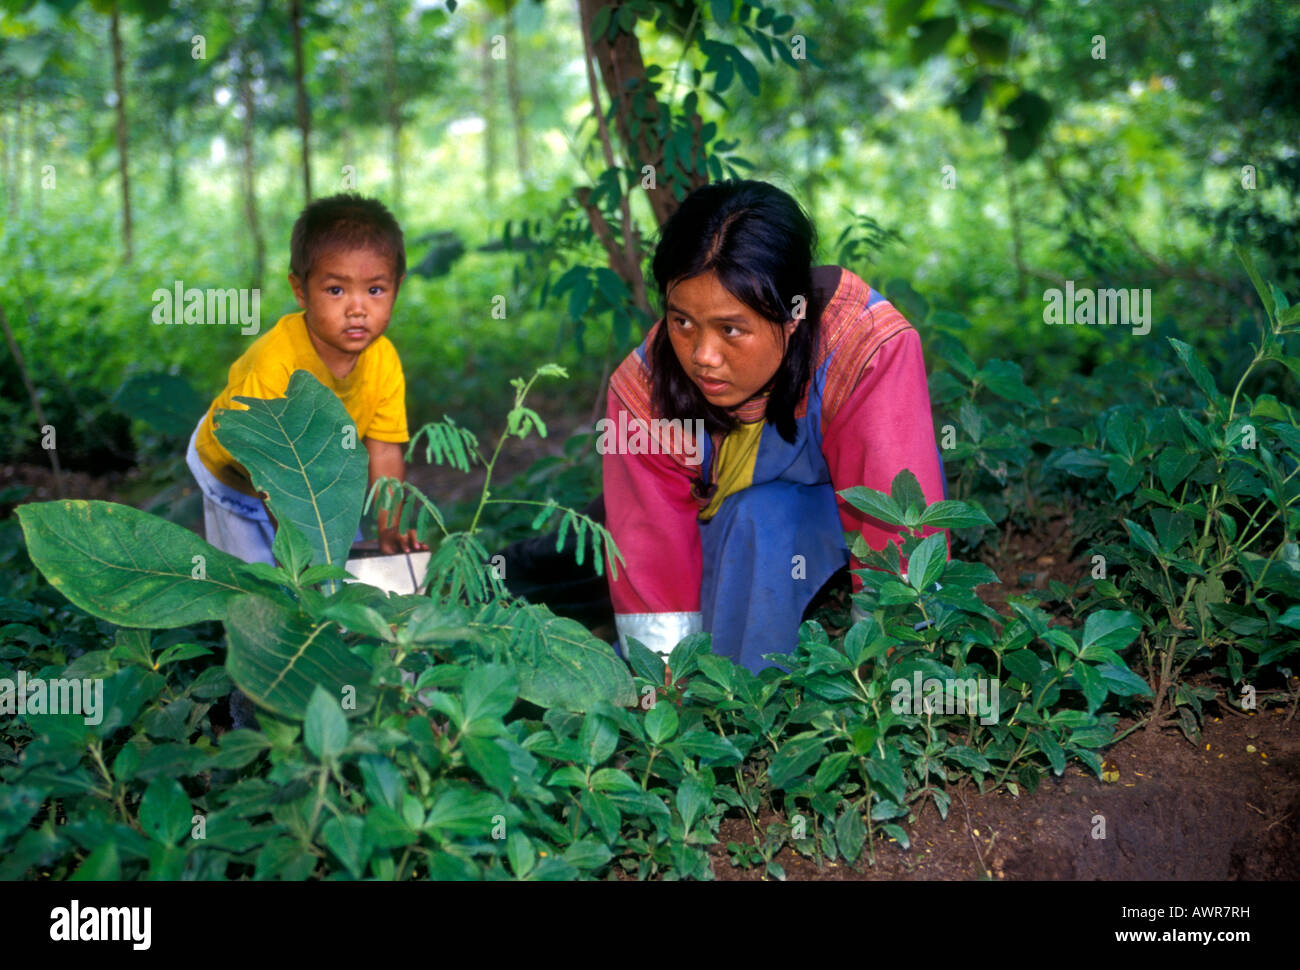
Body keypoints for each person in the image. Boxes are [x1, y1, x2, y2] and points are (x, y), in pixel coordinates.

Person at [600, 179, 950, 672]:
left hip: (835, 510)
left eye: (731, 329)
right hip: (726, 532)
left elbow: (896, 511)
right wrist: (666, 695)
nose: (702, 356)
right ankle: (745, 704)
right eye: (682, 323)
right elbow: (653, 559)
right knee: (758, 517)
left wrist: (897, 669)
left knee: (777, 517)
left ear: (793, 316)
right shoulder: (643, 392)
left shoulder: (865, 346)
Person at [186, 193, 425, 565]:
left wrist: (388, 529)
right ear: (300, 291)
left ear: (397, 287)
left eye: (375, 290)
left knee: (337, 570)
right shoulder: (276, 364)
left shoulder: (383, 360)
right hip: (238, 472)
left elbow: (384, 448)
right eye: (336, 290)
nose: (358, 309)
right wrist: (300, 550)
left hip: (315, 474)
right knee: (258, 583)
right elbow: (265, 466)